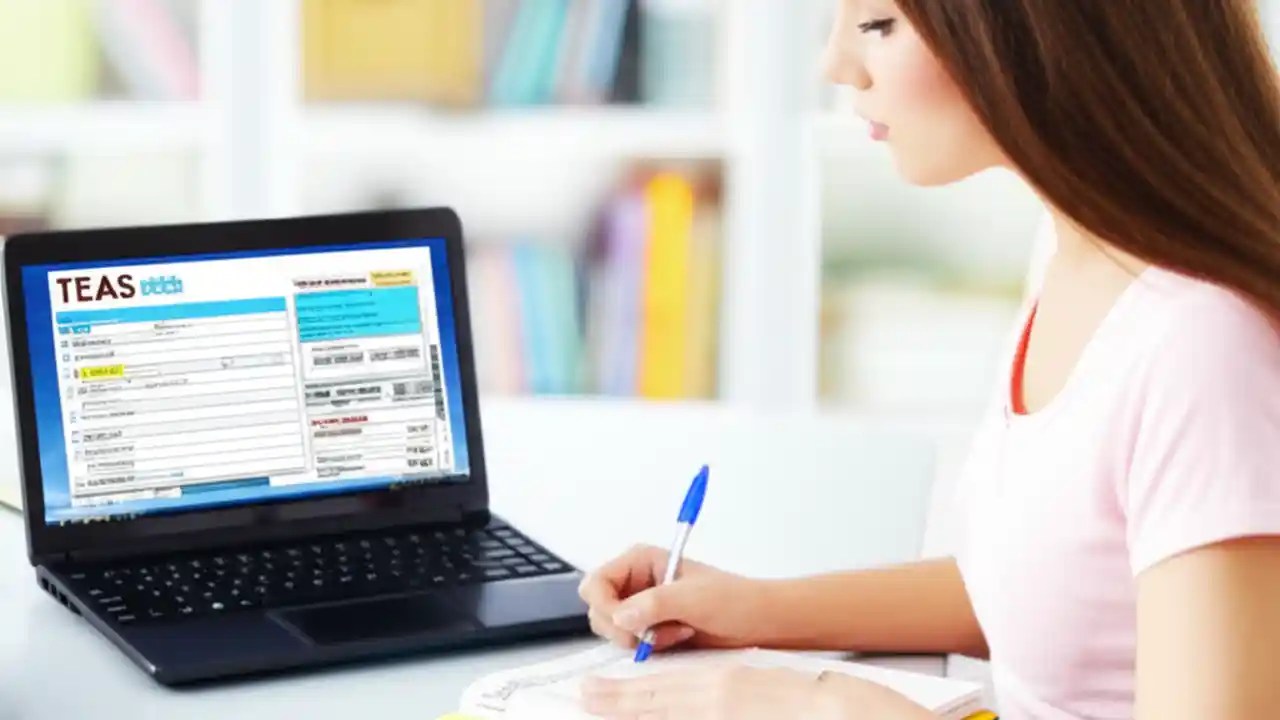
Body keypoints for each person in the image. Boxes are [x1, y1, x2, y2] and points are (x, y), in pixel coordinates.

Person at [577, 1, 1280, 718]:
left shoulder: (1201, 347)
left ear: (1043, 31)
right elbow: (1054, 593)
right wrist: (754, 608)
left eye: (879, 25)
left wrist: (823, 707)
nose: (835, 65)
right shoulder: (1079, 254)